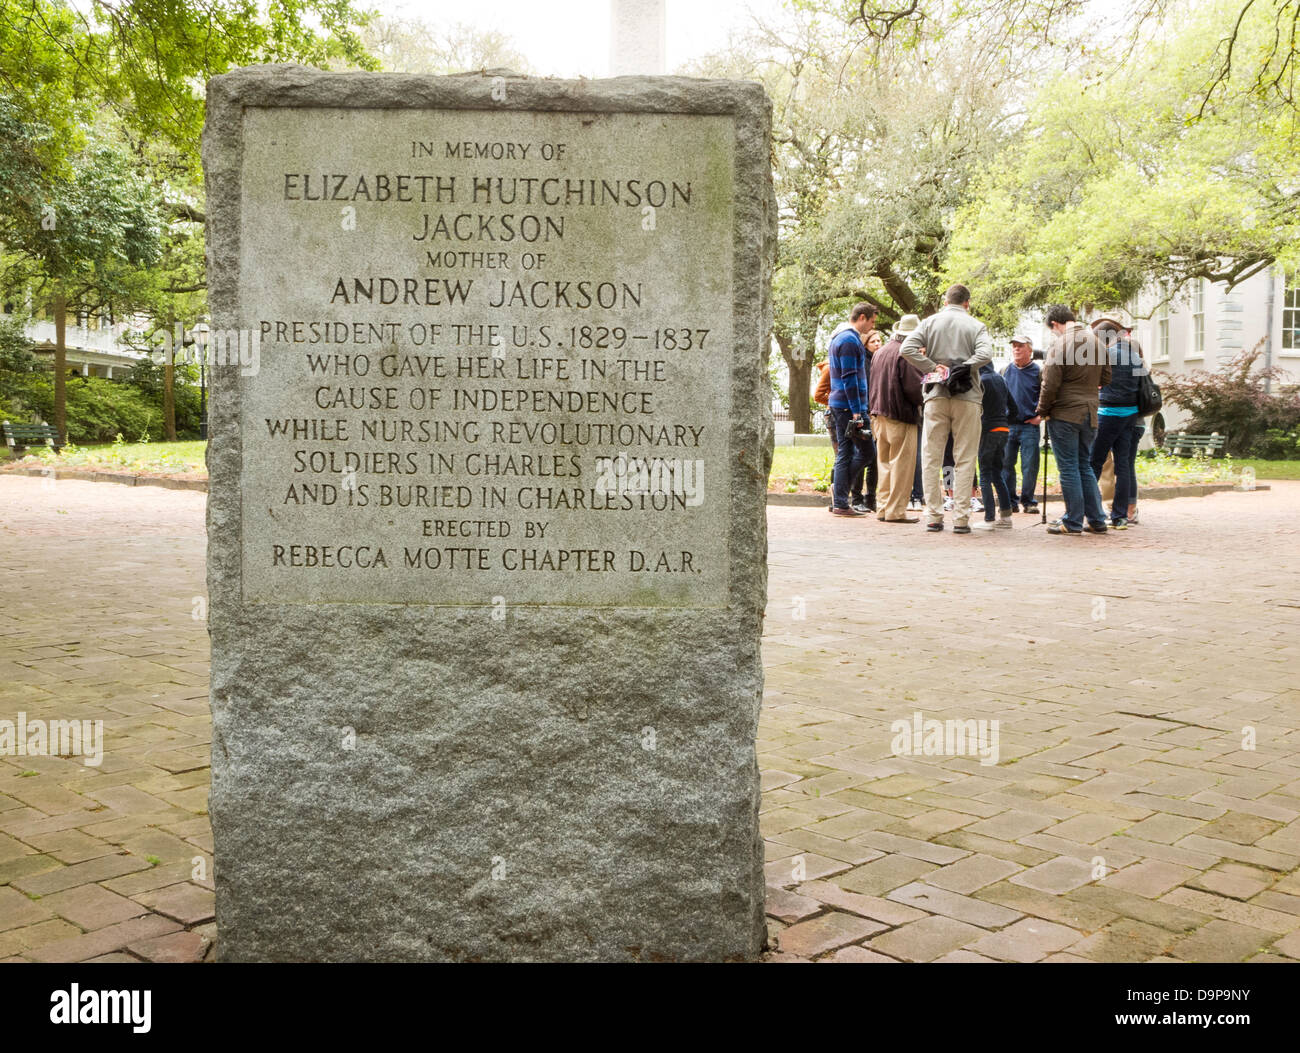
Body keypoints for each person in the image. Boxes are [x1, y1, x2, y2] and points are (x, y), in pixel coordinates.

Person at [899, 284, 993, 534]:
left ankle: (934, 515)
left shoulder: (930, 323)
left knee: (931, 457)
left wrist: (933, 367)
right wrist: (967, 366)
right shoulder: (976, 326)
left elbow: (906, 349)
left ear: (945, 301)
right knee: (965, 457)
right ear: (967, 303)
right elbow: (986, 353)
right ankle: (961, 518)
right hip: (968, 396)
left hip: (936, 394)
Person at [1037, 305, 1111, 535]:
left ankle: (1073, 520)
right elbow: (1107, 376)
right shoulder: (1097, 342)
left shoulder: (1060, 344)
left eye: (1052, 330)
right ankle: (1097, 519)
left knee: (1069, 466)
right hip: (1091, 410)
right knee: (1084, 465)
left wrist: (1042, 409)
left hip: (1065, 413)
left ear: (1054, 324)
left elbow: (1050, 383)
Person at [1088, 318, 1144, 530]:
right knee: (1123, 466)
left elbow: (1095, 383)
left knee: (1094, 462)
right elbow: (1141, 383)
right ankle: (1120, 516)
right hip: (1130, 414)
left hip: (1108, 412)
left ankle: (1092, 512)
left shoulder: (1106, 355)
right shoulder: (1135, 355)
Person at [868, 314, 924, 523]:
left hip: (878, 414)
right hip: (900, 415)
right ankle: (896, 511)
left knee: (884, 464)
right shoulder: (907, 354)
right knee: (902, 466)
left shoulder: (880, 352)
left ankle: (882, 507)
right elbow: (914, 389)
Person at [827, 302, 877, 516]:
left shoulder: (839, 338)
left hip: (840, 405)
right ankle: (840, 494)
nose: (872, 327)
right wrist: (857, 410)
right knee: (867, 452)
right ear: (862, 317)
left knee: (846, 452)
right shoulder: (849, 340)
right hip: (850, 408)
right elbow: (849, 378)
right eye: (872, 321)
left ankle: (839, 500)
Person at [1001, 335, 1042, 514]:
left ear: (1030, 350)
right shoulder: (1004, 371)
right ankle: (1010, 500)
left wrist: (1041, 416)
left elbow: (1046, 394)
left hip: (1029, 425)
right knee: (1006, 464)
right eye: (1015, 346)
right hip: (1008, 425)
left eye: (1021, 346)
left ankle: (1028, 501)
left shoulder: (1038, 371)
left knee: (1030, 465)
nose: (1016, 349)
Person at [973, 362, 1015, 530]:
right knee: (997, 473)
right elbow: (1014, 408)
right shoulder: (1001, 379)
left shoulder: (981, 380)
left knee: (984, 472)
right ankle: (1006, 517)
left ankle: (989, 518)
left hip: (988, 430)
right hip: (1003, 429)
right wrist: (1005, 422)